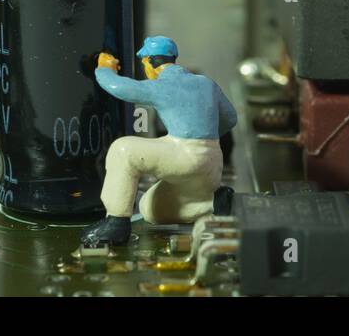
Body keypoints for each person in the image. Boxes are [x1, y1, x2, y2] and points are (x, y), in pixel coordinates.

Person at [80, 35, 237, 247]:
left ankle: (116, 224)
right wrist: (203, 135)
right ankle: (215, 203)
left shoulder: (162, 85)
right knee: (150, 209)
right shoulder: (206, 83)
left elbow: (120, 88)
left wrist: (104, 68)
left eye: (144, 63)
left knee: (122, 149)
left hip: (185, 156)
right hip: (212, 163)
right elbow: (230, 118)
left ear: (149, 62)